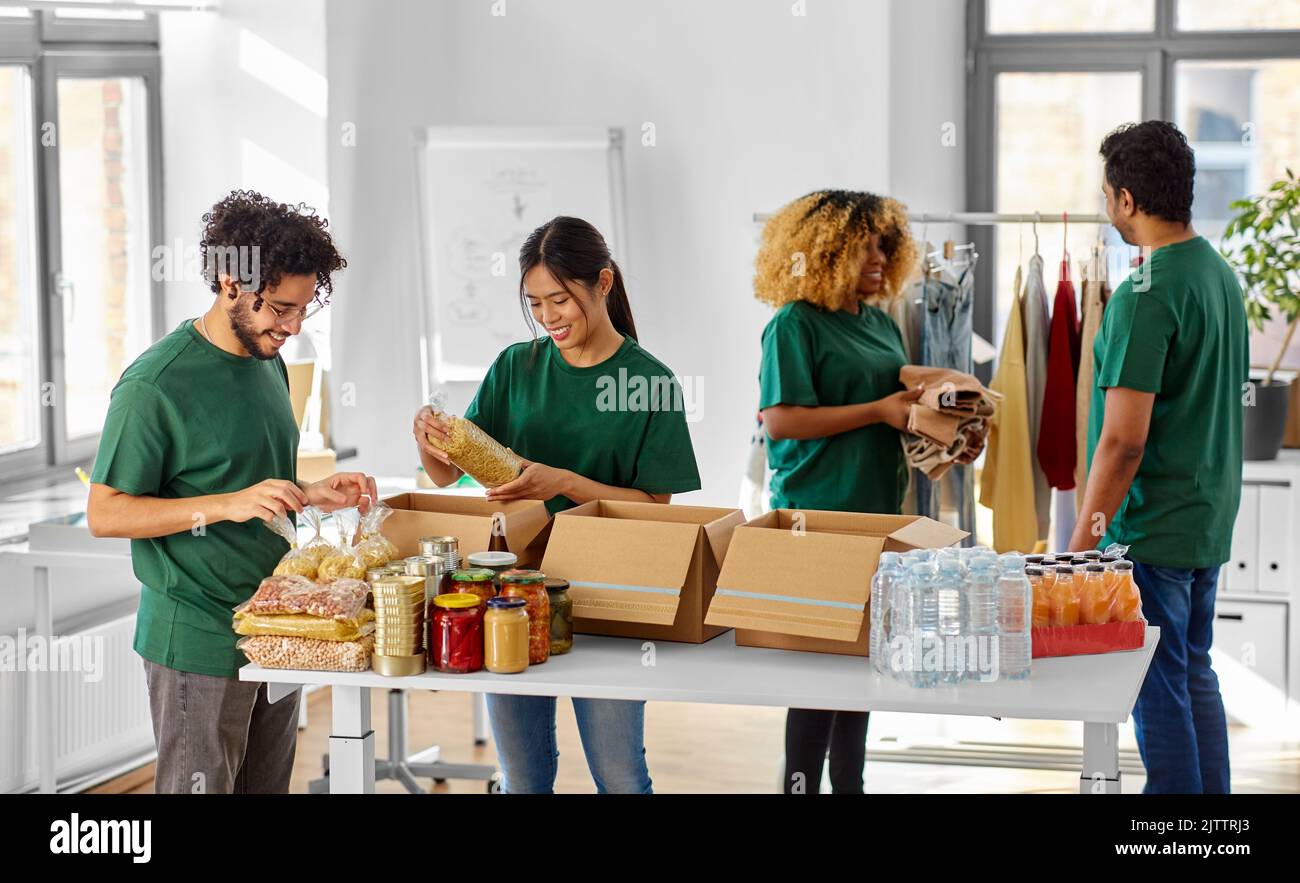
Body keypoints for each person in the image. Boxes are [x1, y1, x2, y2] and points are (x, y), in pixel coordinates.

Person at [87, 190, 378, 794]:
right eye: (278, 308)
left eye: (301, 310)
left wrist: (311, 493)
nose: (292, 327)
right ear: (228, 284)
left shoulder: (264, 358)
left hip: (278, 624)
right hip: (199, 635)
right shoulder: (155, 385)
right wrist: (226, 505)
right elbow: (105, 511)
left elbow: (240, 475)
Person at [413, 216, 700, 793]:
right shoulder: (516, 367)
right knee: (523, 776)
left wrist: (566, 482)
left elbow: (653, 507)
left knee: (619, 775)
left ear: (604, 283)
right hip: (509, 593)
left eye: (561, 300)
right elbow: (448, 475)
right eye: (536, 303)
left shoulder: (649, 382)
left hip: (607, 597)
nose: (549, 317)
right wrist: (426, 438)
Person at [755, 190, 981, 794]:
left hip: (879, 517)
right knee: (817, 673)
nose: (879, 258)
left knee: (861, 666)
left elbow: (896, 419)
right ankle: (801, 786)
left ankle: (850, 787)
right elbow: (780, 420)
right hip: (818, 520)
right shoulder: (793, 323)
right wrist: (878, 410)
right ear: (825, 251)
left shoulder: (878, 322)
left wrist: (950, 439)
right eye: (863, 247)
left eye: (885, 245)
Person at [1069, 120, 1248, 794]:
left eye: (1106, 194)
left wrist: (1084, 539)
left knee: (1152, 679)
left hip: (1152, 525)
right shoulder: (1217, 274)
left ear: (1125, 199)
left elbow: (1123, 440)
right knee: (1192, 669)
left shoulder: (1146, 296)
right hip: (1204, 518)